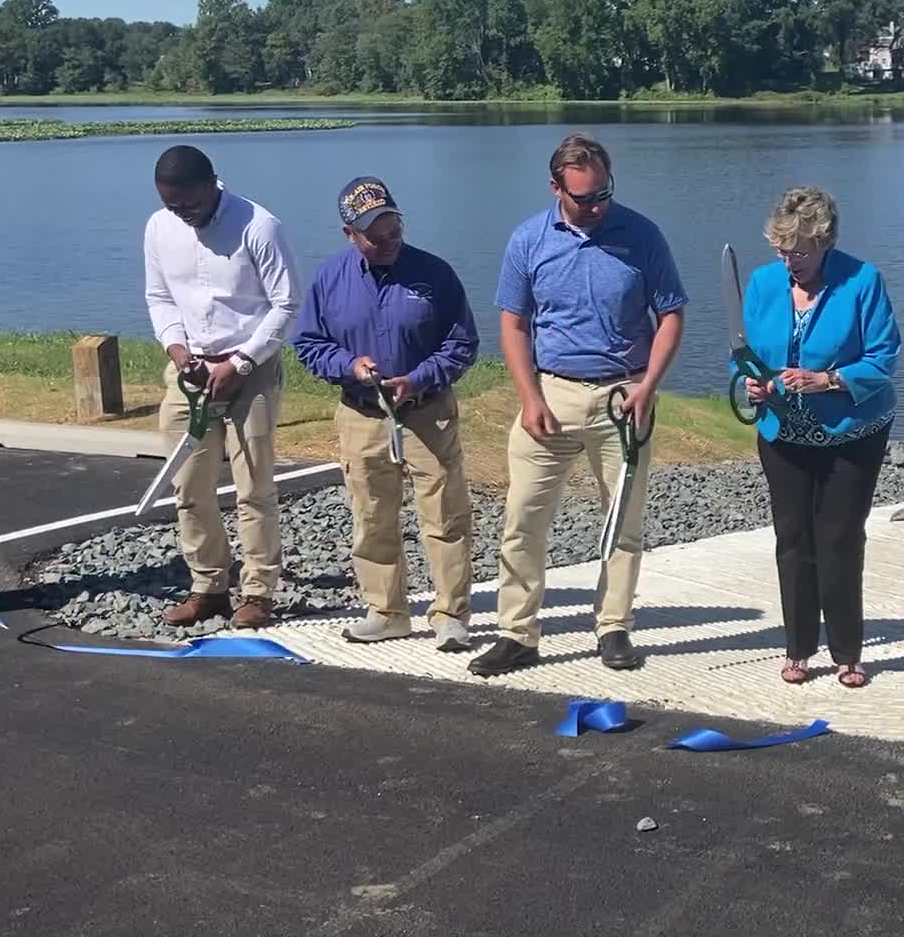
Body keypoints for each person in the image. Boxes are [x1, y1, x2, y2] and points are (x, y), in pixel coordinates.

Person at [474, 133, 688, 677]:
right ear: (555, 188)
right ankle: (517, 633)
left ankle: (613, 626)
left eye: (602, 195)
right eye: (583, 199)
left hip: (624, 395)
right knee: (522, 518)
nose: (595, 207)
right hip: (551, 392)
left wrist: (649, 385)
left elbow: (671, 316)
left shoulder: (642, 236)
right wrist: (529, 397)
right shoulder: (528, 240)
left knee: (622, 521)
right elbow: (514, 325)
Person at [291, 176, 480, 652]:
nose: (389, 241)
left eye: (394, 229)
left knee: (445, 517)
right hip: (361, 415)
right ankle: (386, 611)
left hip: (426, 412)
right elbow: (310, 346)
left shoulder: (436, 274)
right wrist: (348, 366)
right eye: (376, 235)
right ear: (350, 235)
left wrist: (416, 379)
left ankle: (451, 615)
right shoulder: (329, 279)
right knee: (372, 516)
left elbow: (462, 345)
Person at [738, 187, 901, 689]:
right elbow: (743, 353)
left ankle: (848, 650)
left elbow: (883, 357)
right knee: (793, 539)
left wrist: (827, 380)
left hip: (851, 432)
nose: (791, 261)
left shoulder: (863, 280)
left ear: (825, 242)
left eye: (801, 252)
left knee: (839, 538)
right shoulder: (765, 283)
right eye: (783, 251)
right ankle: (798, 647)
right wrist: (752, 382)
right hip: (782, 431)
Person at [143, 144, 302, 629]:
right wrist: (179, 352)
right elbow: (159, 296)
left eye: (189, 204)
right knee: (188, 486)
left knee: (253, 484)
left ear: (213, 183)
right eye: (172, 205)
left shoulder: (259, 225)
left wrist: (241, 361)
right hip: (190, 373)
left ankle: (257, 591)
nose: (183, 214)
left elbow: (286, 303)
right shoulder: (159, 226)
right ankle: (209, 585)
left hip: (249, 371)